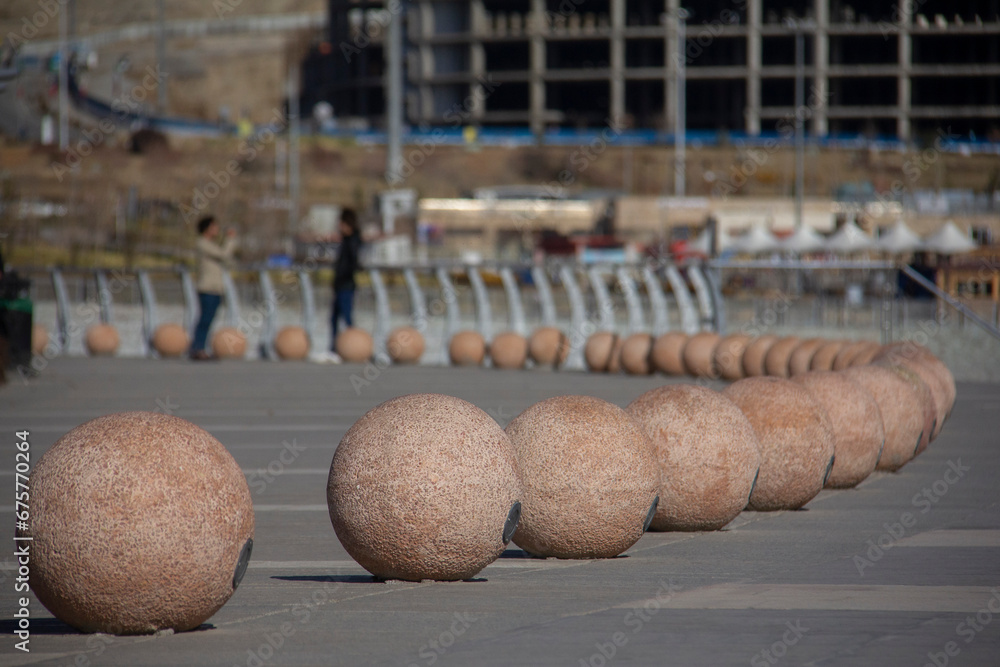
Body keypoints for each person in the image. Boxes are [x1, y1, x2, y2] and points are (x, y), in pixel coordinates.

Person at [190, 215, 237, 361]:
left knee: (209, 320)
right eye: (214, 226)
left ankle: (202, 348)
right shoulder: (202, 243)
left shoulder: (211, 244)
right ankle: (197, 349)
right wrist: (230, 240)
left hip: (216, 288)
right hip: (207, 288)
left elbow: (227, 261)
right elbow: (224, 255)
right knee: (205, 319)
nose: (217, 229)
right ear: (207, 228)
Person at [325, 208, 362, 363]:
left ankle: (352, 349)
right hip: (341, 284)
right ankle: (336, 348)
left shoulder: (352, 241)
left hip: (346, 284)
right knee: (335, 318)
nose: (339, 226)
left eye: (341, 223)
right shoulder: (347, 240)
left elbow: (353, 263)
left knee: (346, 318)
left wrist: (343, 275)